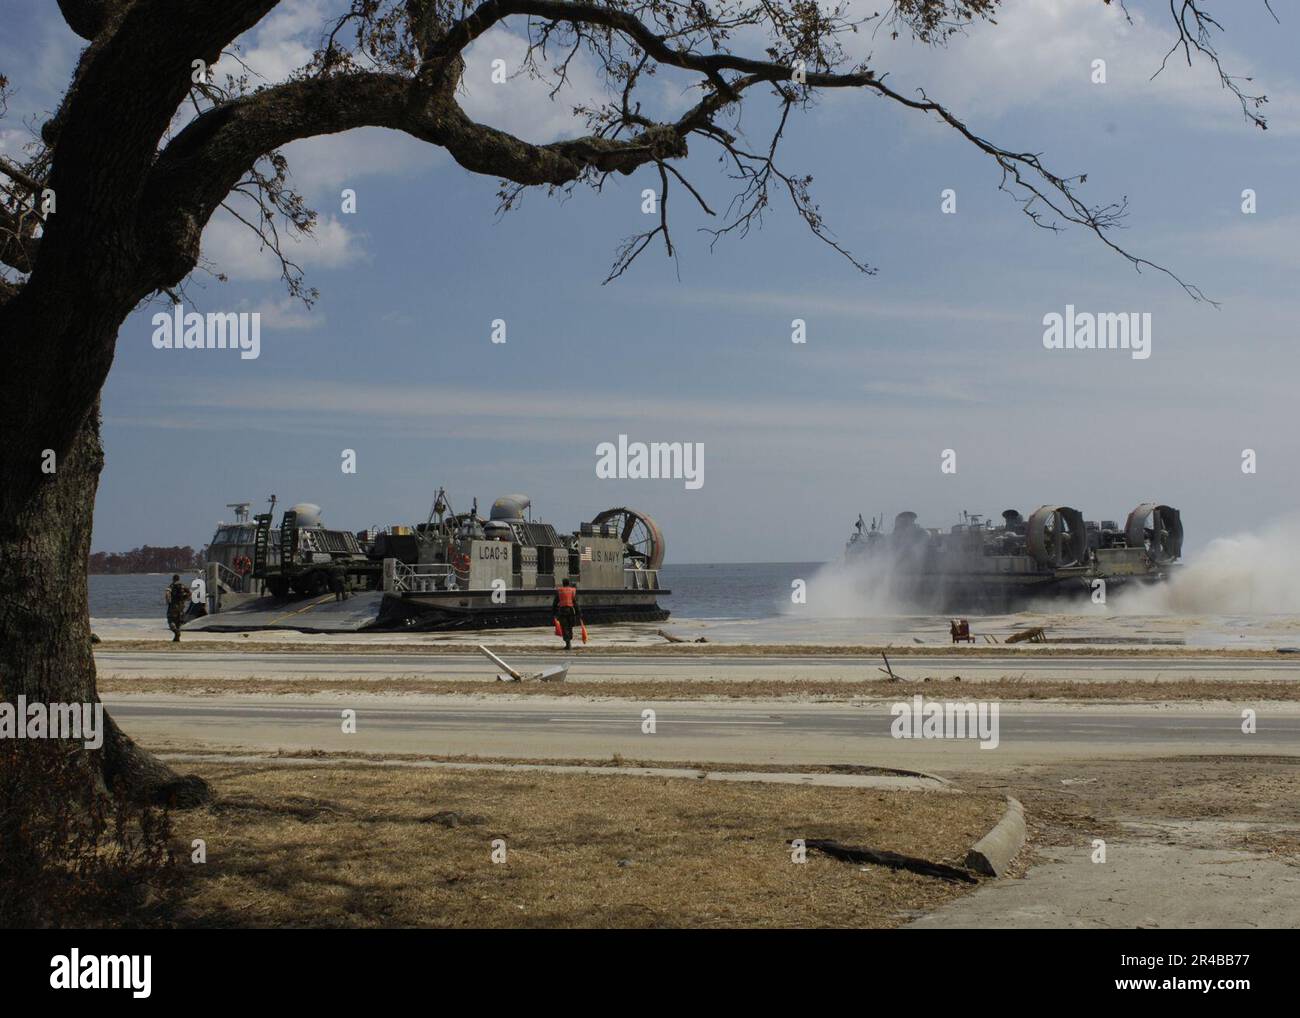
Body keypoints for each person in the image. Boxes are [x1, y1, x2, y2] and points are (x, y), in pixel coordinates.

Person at [551, 577, 581, 650]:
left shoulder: (560, 591)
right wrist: (578, 612)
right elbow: (575, 603)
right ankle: (569, 642)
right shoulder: (572, 591)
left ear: (563, 584)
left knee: (564, 627)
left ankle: (568, 644)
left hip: (562, 611)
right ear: (569, 583)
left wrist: (554, 613)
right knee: (570, 627)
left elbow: (555, 603)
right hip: (570, 611)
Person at [164, 574, 191, 642]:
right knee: (178, 622)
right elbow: (190, 593)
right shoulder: (183, 586)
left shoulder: (171, 585)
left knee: (170, 620)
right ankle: (177, 638)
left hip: (173, 606)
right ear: (179, 579)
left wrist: (168, 601)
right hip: (181, 606)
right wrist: (185, 599)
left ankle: (176, 632)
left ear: (173, 579)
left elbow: (167, 593)